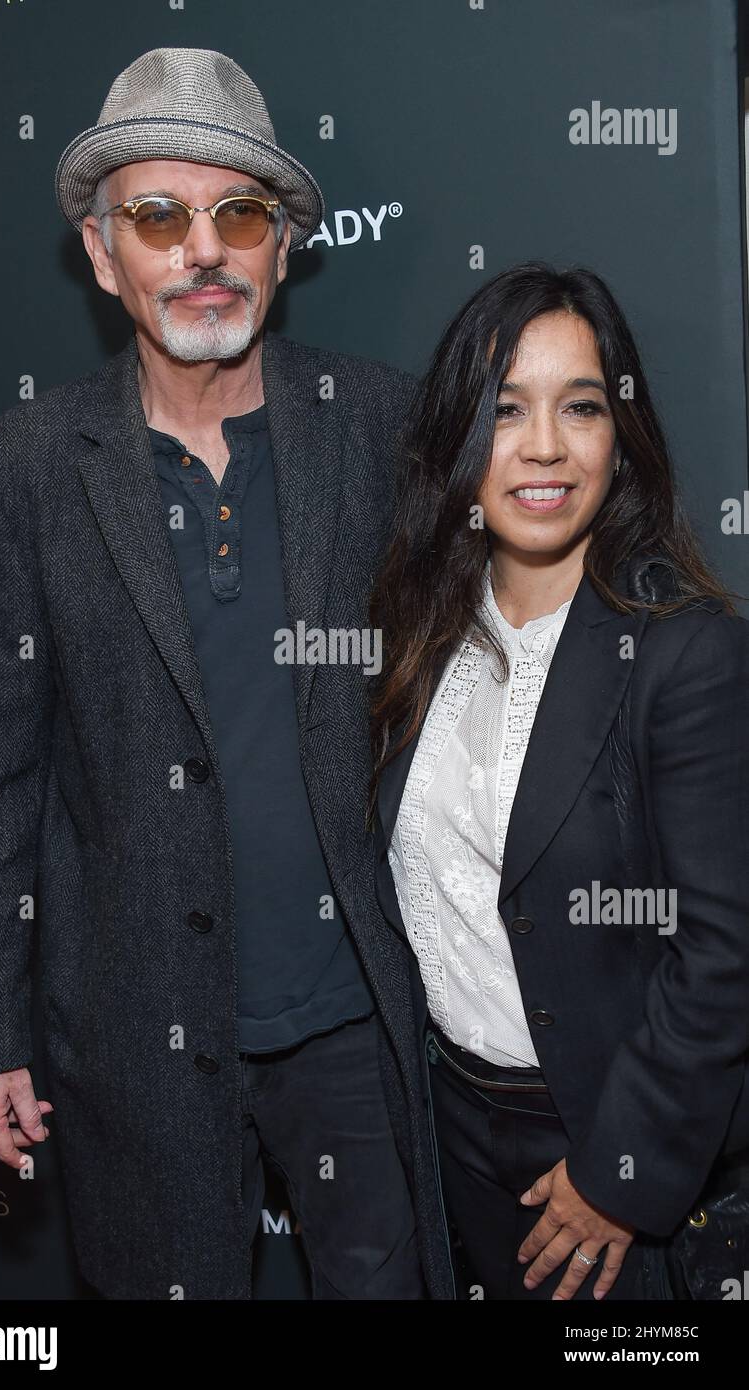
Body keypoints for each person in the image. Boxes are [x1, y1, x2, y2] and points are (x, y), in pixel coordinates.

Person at [0, 46, 455, 1301]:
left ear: (283, 248)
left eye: (240, 216)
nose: (202, 251)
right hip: (137, 1032)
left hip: (358, 1025)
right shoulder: (29, 467)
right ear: (105, 257)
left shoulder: (384, 423)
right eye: (160, 218)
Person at [369, 262, 749, 1300]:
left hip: (604, 1148)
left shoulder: (685, 652)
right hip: (453, 1137)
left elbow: (725, 957)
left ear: (620, 437)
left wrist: (621, 1175)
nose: (543, 446)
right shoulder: (422, 635)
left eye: (580, 406)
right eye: (505, 410)